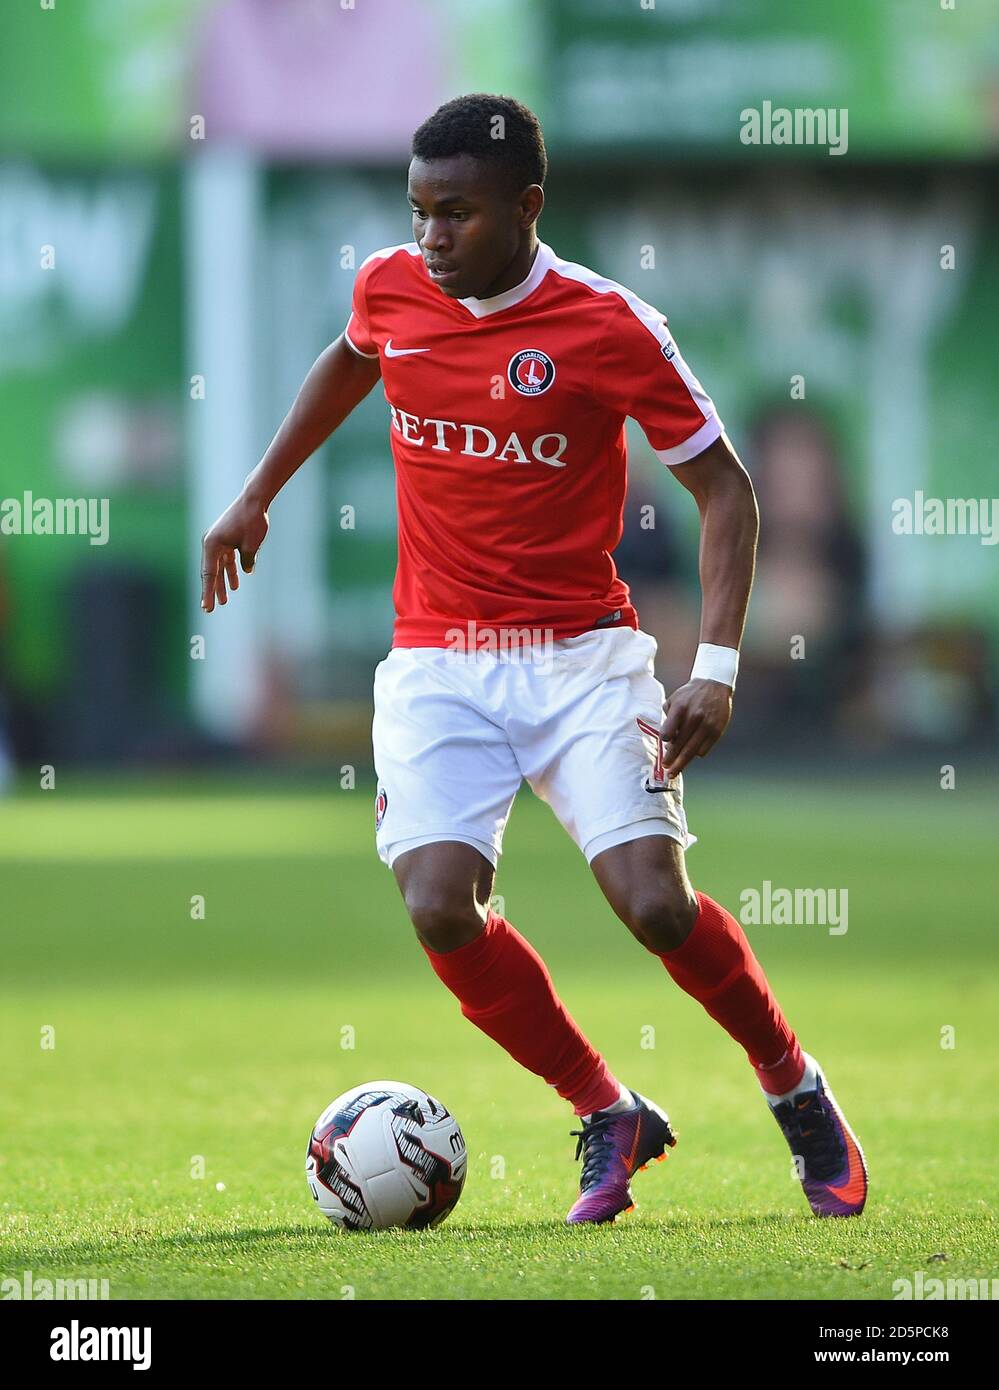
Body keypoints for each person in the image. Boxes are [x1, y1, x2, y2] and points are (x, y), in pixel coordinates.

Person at [201, 94, 867, 1225]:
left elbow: (727, 490)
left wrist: (714, 665)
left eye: (456, 214)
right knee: (438, 904)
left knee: (654, 904)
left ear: (527, 207)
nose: (431, 239)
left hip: (582, 663)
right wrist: (258, 492)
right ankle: (609, 1109)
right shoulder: (394, 288)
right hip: (438, 662)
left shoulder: (607, 326)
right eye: (418, 212)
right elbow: (352, 356)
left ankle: (794, 1085)